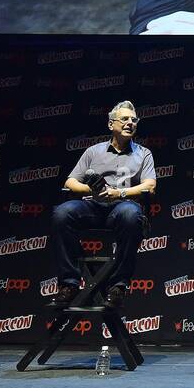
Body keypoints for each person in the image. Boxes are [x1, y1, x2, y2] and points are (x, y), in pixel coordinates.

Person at [48, 101, 157, 307]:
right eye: (124, 119)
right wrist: (95, 192)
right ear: (110, 124)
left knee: (131, 215)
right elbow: (70, 182)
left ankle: (118, 286)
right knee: (62, 213)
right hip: (93, 205)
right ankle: (69, 283)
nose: (130, 123)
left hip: (122, 206)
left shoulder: (144, 153)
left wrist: (117, 193)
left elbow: (149, 186)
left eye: (134, 120)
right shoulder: (93, 151)